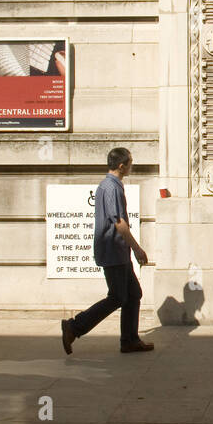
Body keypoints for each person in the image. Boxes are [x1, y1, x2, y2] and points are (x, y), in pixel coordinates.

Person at [60, 147, 153, 354]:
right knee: (117, 297)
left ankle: (129, 340)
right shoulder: (111, 188)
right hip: (113, 250)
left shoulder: (109, 185)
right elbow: (119, 222)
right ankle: (74, 326)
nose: (132, 166)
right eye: (130, 163)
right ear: (121, 166)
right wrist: (137, 248)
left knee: (133, 294)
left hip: (117, 251)